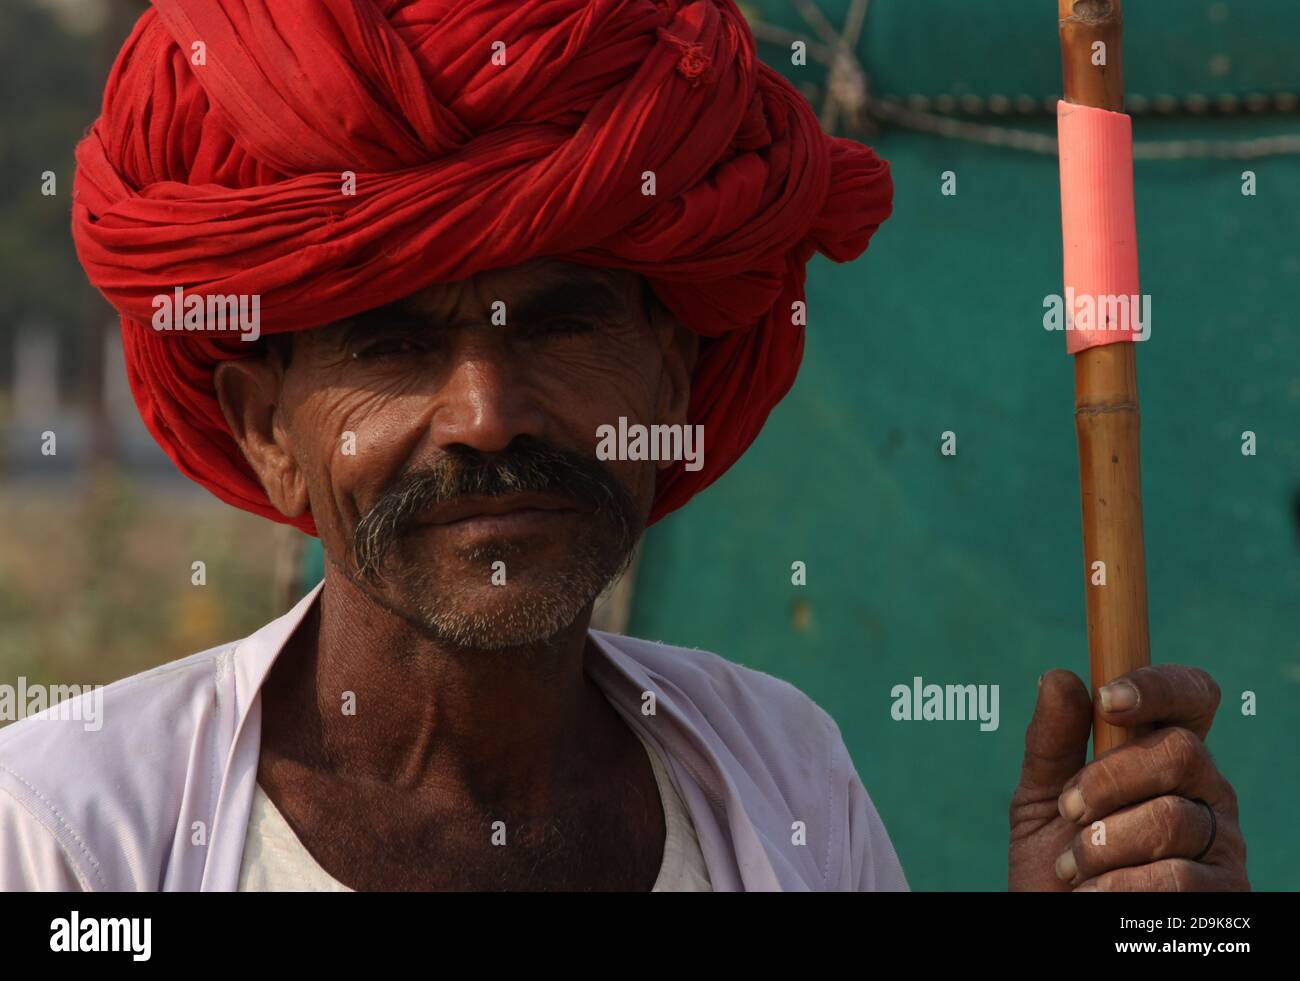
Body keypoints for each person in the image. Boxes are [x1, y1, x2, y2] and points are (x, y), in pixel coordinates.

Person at [0, 0, 1246, 892]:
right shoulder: (72, 832)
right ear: (268, 429)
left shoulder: (781, 778)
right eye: (391, 348)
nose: (490, 414)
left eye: (560, 326)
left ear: (674, 369)